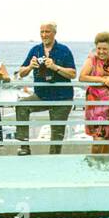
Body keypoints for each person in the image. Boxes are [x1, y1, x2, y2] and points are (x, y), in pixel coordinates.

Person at [15, 22, 77, 155]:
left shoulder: (64, 50)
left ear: (54, 33)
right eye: (42, 32)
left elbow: (73, 73)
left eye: (47, 32)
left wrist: (55, 67)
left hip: (62, 97)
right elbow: (21, 72)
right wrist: (30, 67)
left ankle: (54, 159)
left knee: (56, 135)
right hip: (41, 96)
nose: (44, 35)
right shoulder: (35, 50)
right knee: (21, 106)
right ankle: (24, 146)